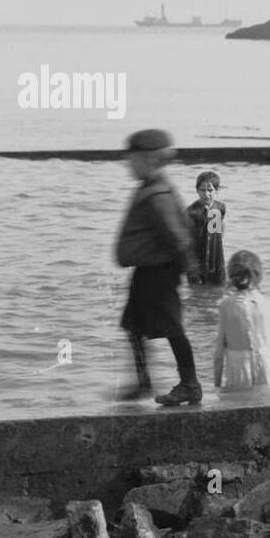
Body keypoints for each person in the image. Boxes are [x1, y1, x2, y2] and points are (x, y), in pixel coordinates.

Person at [115, 129, 200, 405]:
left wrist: (190, 268)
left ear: (150, 161)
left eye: (134, 160)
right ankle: (143, 381)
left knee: (172, 327)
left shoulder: (157, 195)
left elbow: (176, 235)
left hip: (160, 272)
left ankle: (190, 383)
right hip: (145, 270)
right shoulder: (151, 189)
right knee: (133, 325)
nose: (129, 165)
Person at [213, 250, 270, 390]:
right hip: (266, 364)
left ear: (231, 276)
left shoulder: (226, 306)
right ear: (258, 275)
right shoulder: (266, 303)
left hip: (239, 367)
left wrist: (217, 386)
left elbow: (219, 354)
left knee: (238, 406)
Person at [186, 170, 227, 286]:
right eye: (202, 190)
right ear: (197, 190)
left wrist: (218, 239)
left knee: (218, 290)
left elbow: (220, 228)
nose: (206, 194)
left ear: (217, 190)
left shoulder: (220, 207)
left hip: (217, 259)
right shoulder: (191, 212)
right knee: (196, 292)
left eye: (210, 190)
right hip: (198, 262)